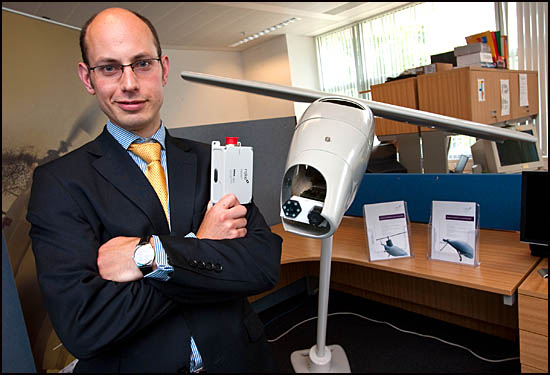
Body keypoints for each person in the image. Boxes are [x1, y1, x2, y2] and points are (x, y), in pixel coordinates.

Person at [26, 7, 282, 373]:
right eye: (110, 67)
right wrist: (204, 243)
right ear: (88, 78)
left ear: (163, 69)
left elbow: (261, 265)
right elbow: (86, 325)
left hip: (241, 361)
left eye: (142, 63)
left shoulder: (214, 160)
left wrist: (150, 256)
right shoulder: (59, 184)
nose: (129, 83)